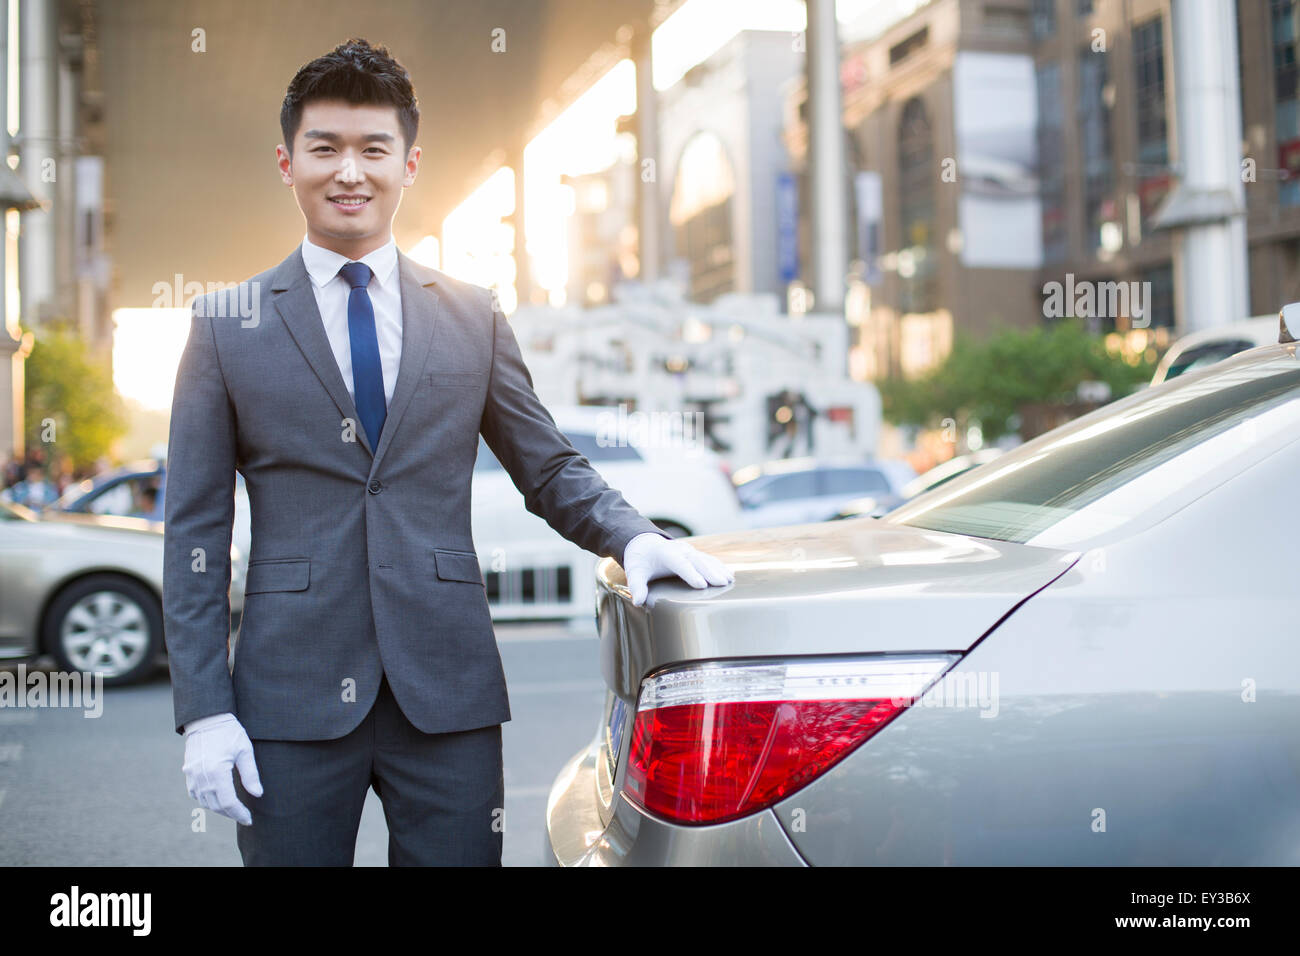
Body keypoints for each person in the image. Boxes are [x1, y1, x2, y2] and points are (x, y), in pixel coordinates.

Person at [164, 37, 733, 867]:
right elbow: (194, 534)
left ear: (410, 163)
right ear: (287, 163)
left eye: (373, 149)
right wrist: (205, 710)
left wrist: (635, 536)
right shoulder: (226, 325)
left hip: (447, 692)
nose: (348, 171)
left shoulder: (471, 313)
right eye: (324, 149)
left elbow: (547, 463)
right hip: (286, 699)